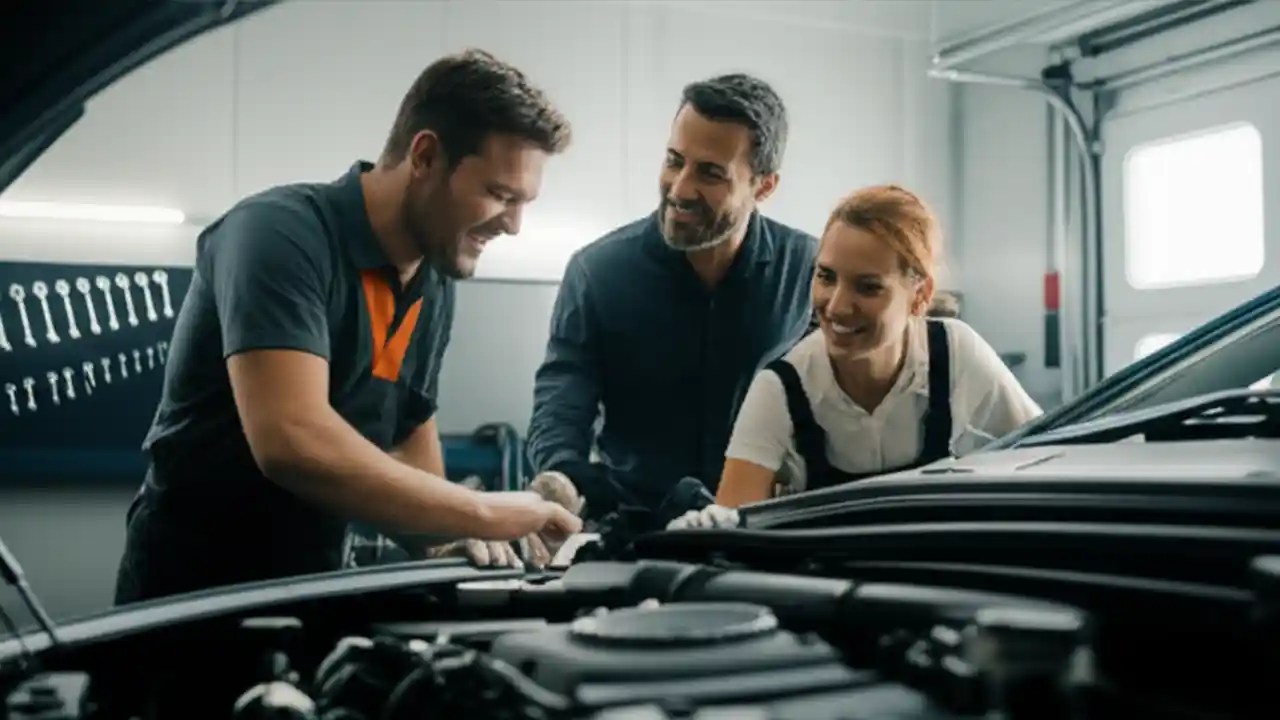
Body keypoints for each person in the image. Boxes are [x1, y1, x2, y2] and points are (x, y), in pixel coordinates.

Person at [114, 49, 582, 604]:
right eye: (500, 195)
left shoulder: (431, 280)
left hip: (312, 585)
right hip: (191, 599)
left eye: (523, 202)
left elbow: (409, 438)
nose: (514, 225)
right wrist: (485, 512)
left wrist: (445, 540)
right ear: (427, 155)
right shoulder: (277, 235)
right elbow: (293, 439)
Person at [526, 73, 819, 521]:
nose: (680, 189)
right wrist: (560, 480)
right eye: (674, 160)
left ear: (764, 186)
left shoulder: (809, 271)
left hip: (762, 528)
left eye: (710, 173)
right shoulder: (597, 272)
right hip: (635, 527)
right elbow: (564, 397)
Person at [671, 185, 1042, 526]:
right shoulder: (781, 389)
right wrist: (706, 525)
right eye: (826, 277)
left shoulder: (956, 353)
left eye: (867, 287)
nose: (836, 306)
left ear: (920, 294)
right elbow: (730, 531)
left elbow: (1050, 454)